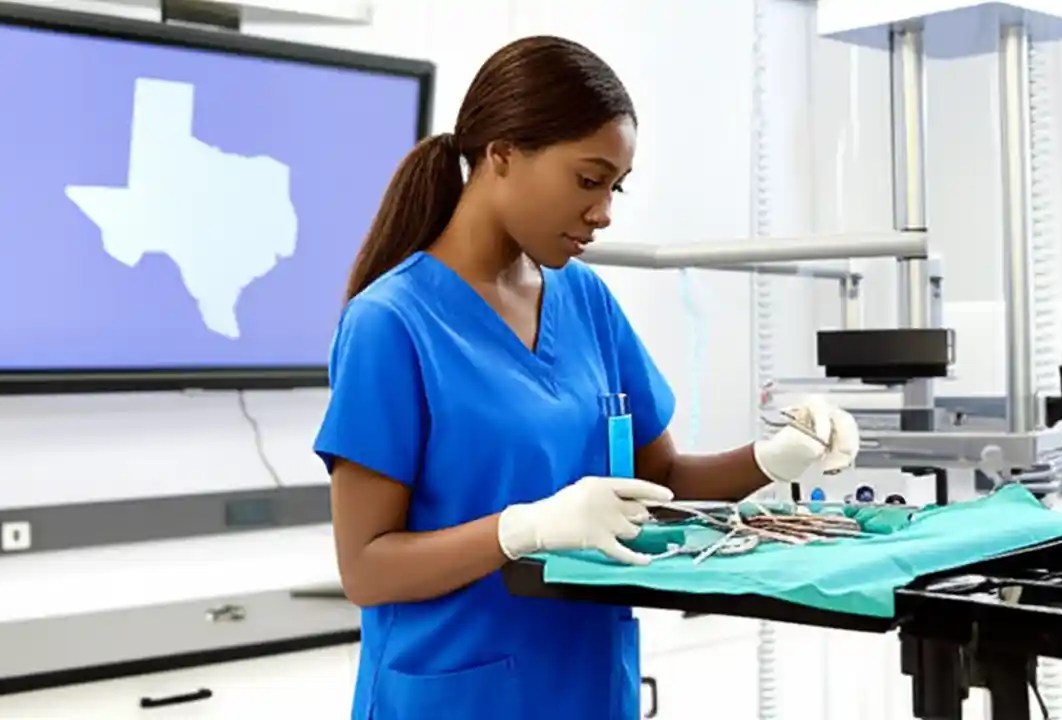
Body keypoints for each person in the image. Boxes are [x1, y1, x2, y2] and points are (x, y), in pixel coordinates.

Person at [314, 35, 859, 720]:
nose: (603, 212)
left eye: (615, 188)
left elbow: (664, 482)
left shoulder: (586, 300)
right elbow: (366, 567)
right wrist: (524, 529)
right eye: (588, 179)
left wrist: (773, 457)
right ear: (503, 155)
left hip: (587, 687)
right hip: (456, 694)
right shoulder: (391, 323)